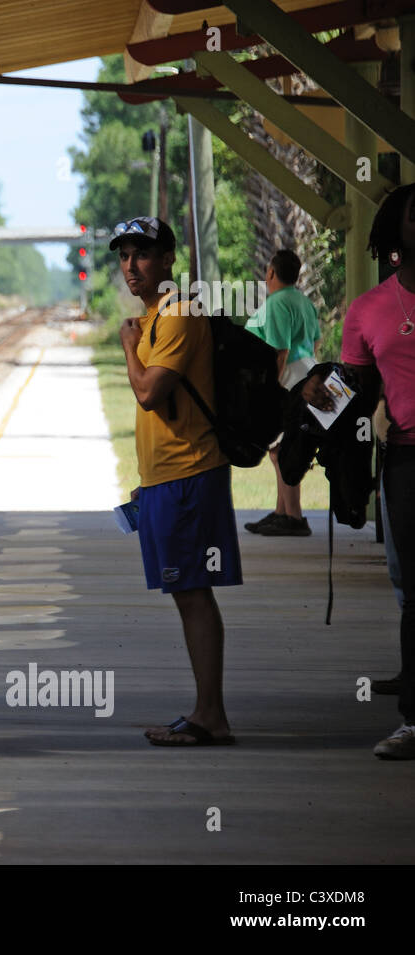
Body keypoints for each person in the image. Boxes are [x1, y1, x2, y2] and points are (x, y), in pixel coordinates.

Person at [114, 215, 242, 746]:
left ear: (168, 259)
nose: (130, 265)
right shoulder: (156, 316)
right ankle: (206, 710)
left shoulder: (179, 312)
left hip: (190, 473)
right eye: (123, 255)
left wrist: (127, 346)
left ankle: (210, 714)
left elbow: (149, 393)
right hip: (167, 478)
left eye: (142, 253)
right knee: (186, 591)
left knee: (192, 594)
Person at [303, 184, 415, 758]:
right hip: (407, 458)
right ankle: (414, 720)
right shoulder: (370, 309)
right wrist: (307, 413)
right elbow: (353, 386)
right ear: (398, 232)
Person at [243, 249, 321, 537]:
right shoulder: (304, 302)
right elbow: (315, 343)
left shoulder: (276, 304)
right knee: (281, 449)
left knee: (283, 450)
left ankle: (294, 516)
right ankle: (282, 512)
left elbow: (280, 350)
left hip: (286, 380)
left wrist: (270, 389)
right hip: (306, 375)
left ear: (271, 273)